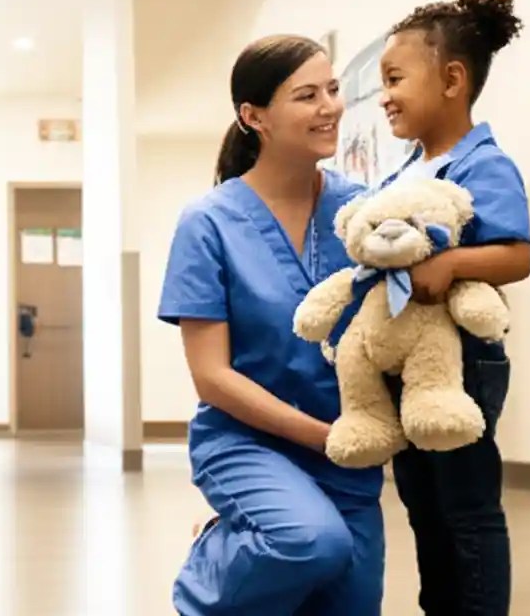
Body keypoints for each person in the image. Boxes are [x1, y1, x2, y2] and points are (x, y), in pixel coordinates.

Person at [160, 35, 385, 615]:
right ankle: (206, 581)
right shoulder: (208, 222)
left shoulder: (362, 211)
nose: (330, 107)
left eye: (333, 90)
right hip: (247, 443)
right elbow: (211, 378)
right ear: (253, 116)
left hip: (347, 454)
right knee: (311, 541)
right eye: (307, 95)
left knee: (348, 602)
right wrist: (320, 435)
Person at [376, 0, 530, 615]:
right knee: (422, 501)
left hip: (464, 365)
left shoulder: (481, 164)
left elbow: (517, 255)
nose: (383, 97)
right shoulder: (405, 169)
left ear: (451, 80)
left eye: (394, 79)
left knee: (467, 505)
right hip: (411, 368)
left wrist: (455, 262)